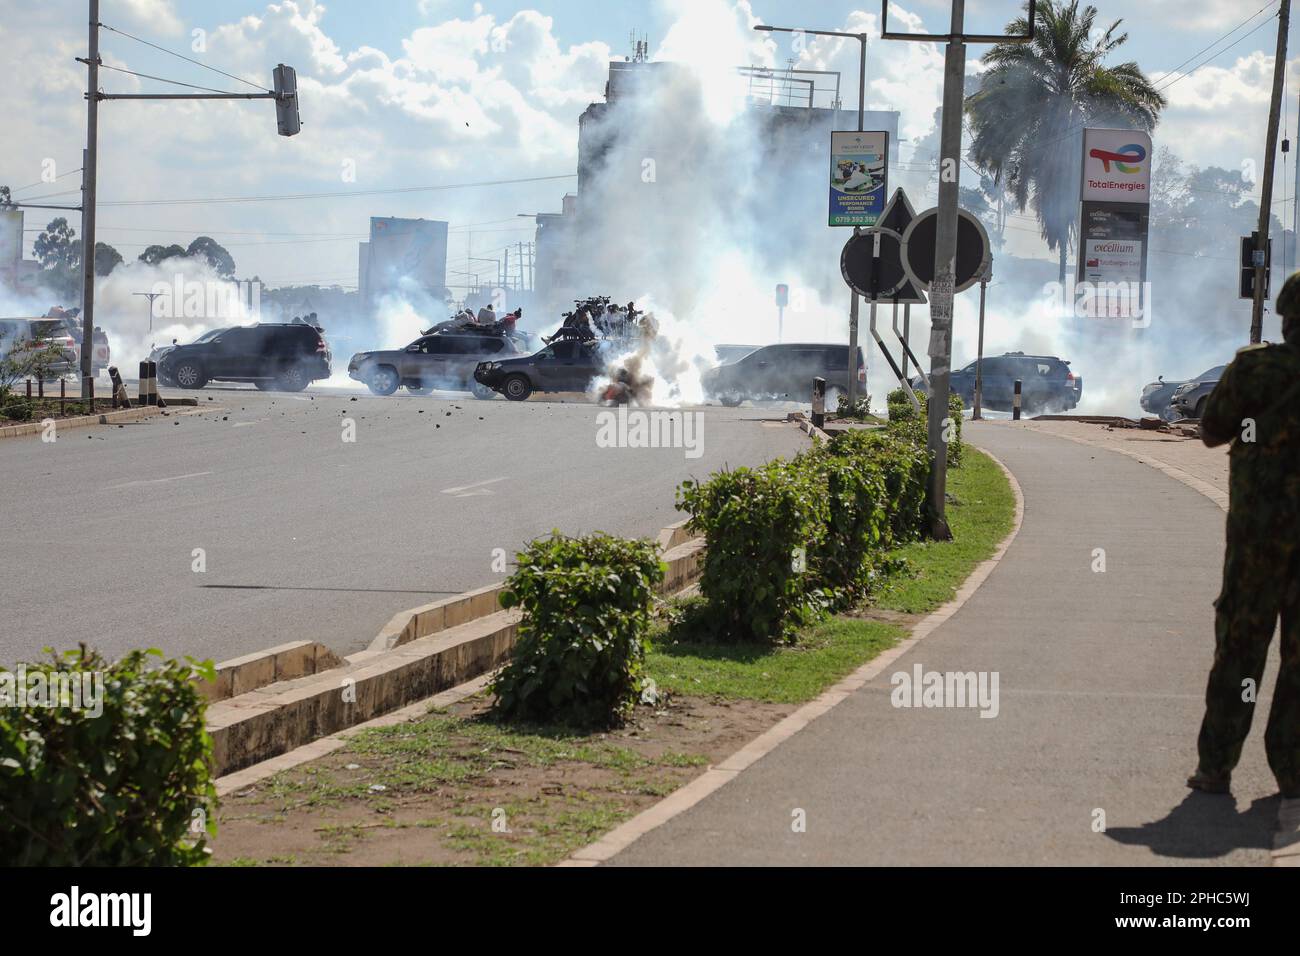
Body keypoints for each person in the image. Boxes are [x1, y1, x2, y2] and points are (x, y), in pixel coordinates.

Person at [1187, 273, 1300, 798]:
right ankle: (1294, 773)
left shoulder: (1254, 368)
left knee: (1240, 650)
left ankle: (1216, 767)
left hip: (1257, 543)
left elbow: (1211, 433)